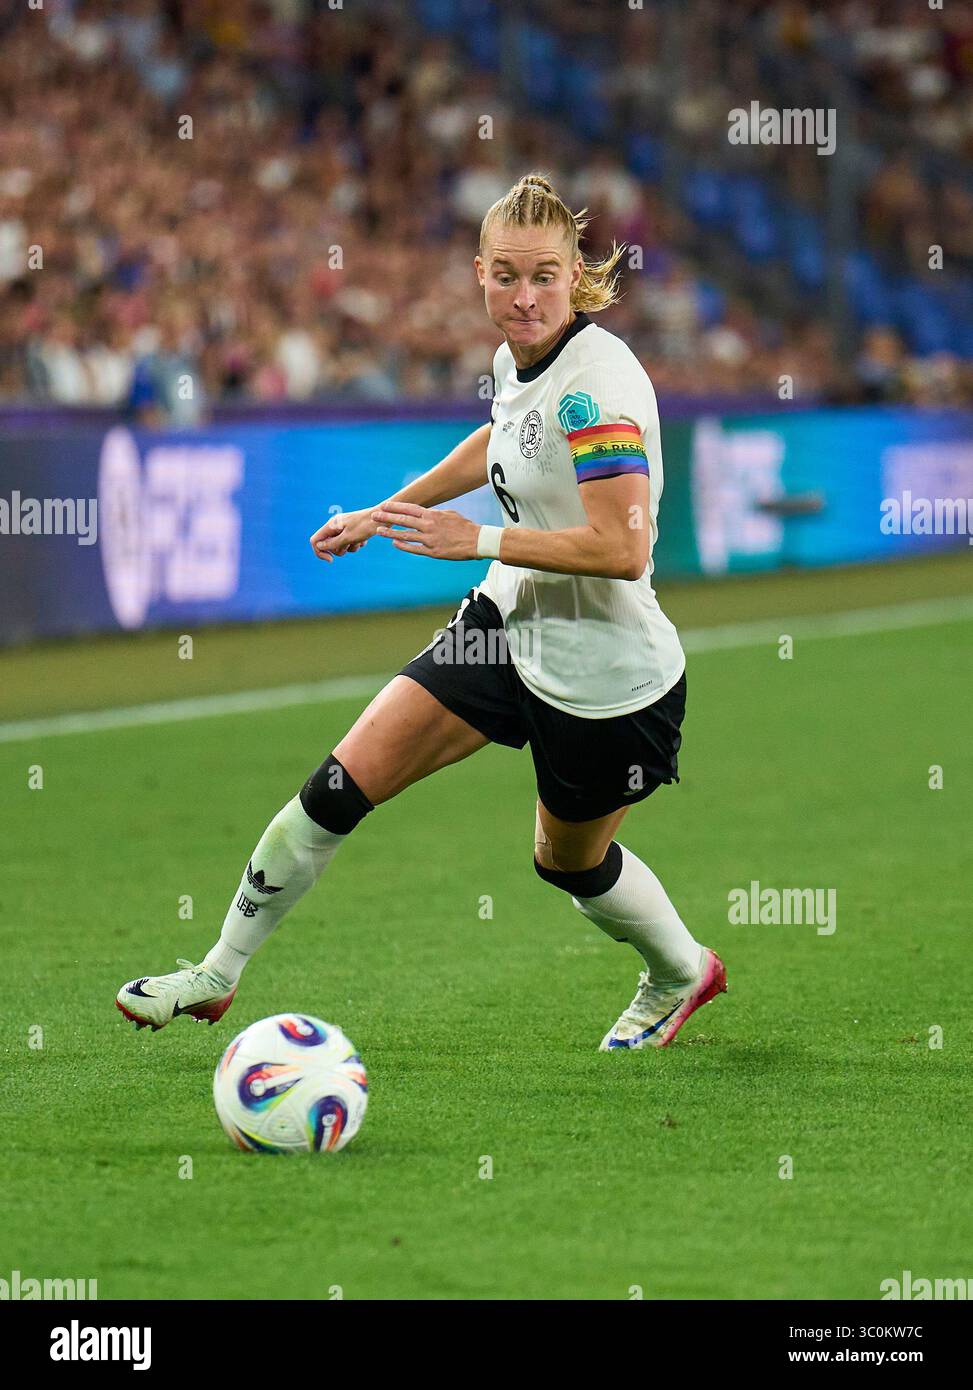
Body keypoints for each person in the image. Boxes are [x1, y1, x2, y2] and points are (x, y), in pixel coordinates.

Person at [116, 173, 727, 1051]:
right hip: (505, 627)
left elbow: (620, 548)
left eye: (544, 277)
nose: (524, 298)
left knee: (567, 863)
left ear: (573, 275)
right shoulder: (519, 361)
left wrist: (470, 541)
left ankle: (679, 972)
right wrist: (384, 512)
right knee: (336, 786)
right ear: (478, 273)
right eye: (506, 276)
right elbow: (499, 437)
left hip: (606, 674)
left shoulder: (598, 389)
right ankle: (218, 971)